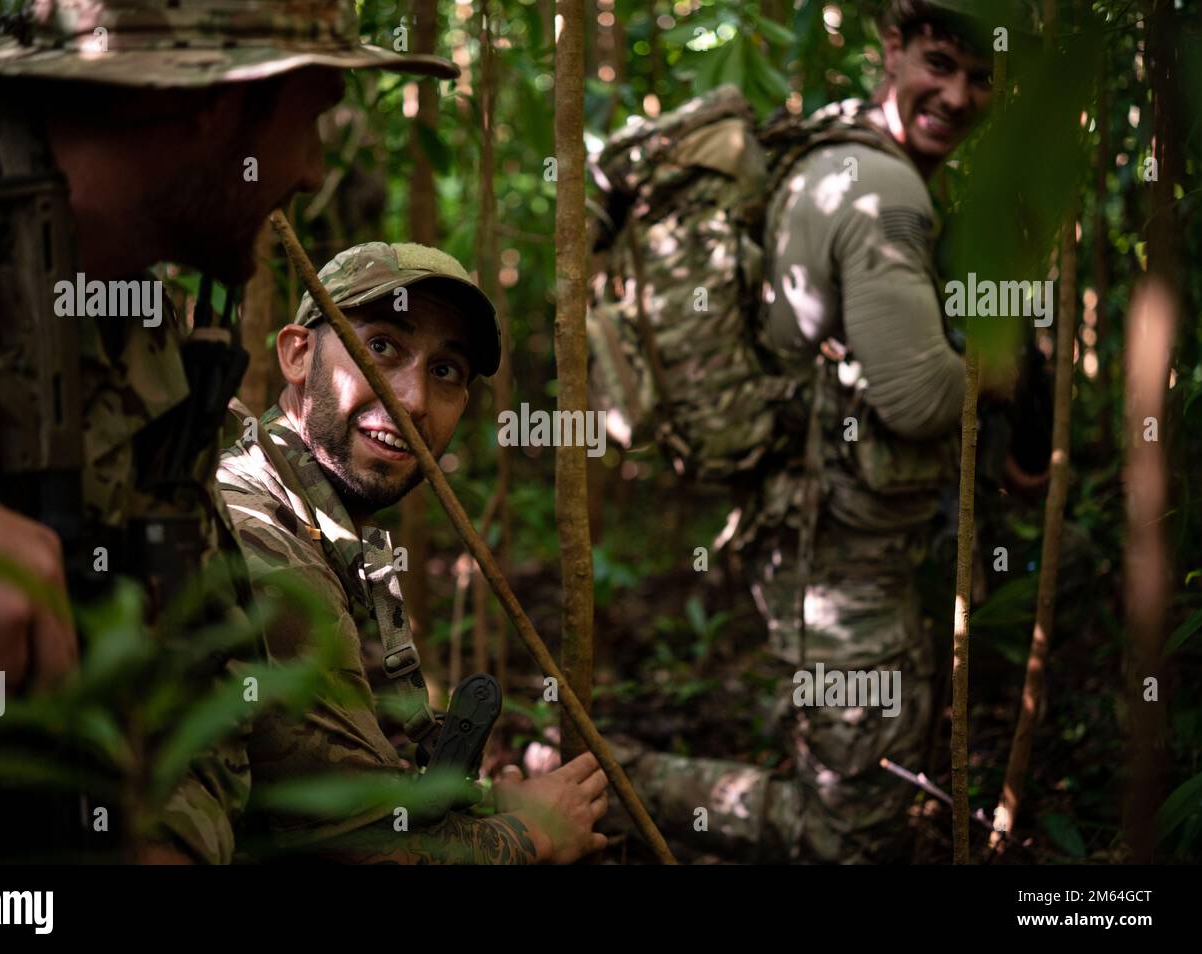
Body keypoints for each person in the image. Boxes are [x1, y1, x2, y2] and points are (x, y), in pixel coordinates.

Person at [0, 0, 457, 864]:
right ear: (217, 104)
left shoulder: (144, 336)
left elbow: (184, 706)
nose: (313, 172)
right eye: (308, 118)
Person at [619, 0, 1025, 863]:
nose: (956, 95)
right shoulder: (879, 188)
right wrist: (1007, 368)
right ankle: (598, 778)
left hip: (840, 540)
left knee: (869, 759)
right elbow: (916, 396)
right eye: (939, 64)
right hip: (836, 552)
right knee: (853, 829)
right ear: (892, 49)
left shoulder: (844, 157)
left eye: (980, 77)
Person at [217, 241, 610, 864]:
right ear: (297, 353)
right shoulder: (266, 542)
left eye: (445, 371)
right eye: (381, 347)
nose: (413, 400)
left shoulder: (316, 520)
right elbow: (363, 853)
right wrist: (532, 835)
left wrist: (478, 807)